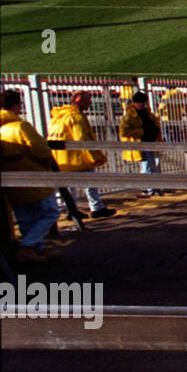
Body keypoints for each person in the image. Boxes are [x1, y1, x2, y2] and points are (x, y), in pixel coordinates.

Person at [1, 90, 63, 262]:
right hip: (33, 176)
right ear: (16, 105)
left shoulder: (2, 129)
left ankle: (38, 250)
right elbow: (41, 151)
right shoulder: (21, 126)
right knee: (50, 213)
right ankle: (28, 246)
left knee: (25, 218)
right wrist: (45, 166)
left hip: (10, 181)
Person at [47, 90, 116, 219]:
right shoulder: (77, 117)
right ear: (79, 100)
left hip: (62, 160)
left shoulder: (58, 117)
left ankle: (71, 210)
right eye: (88, 99)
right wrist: (95, 157)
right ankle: (96, 208)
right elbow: (83, 140)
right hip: (77, 159)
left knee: (70, 187)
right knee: (91, 183)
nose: (90, 102)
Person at [119, 91, 162, 195]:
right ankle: (149, 189)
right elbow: (124, 132)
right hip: (140, 143)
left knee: (151, 165)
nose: (141, 104)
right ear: (134, 103)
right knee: (147, 165)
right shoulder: (129, 116)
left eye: (143, 102)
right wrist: (141, 132)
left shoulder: (148, 113)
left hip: (151, 142)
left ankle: (147, 187)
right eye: (139, 102)